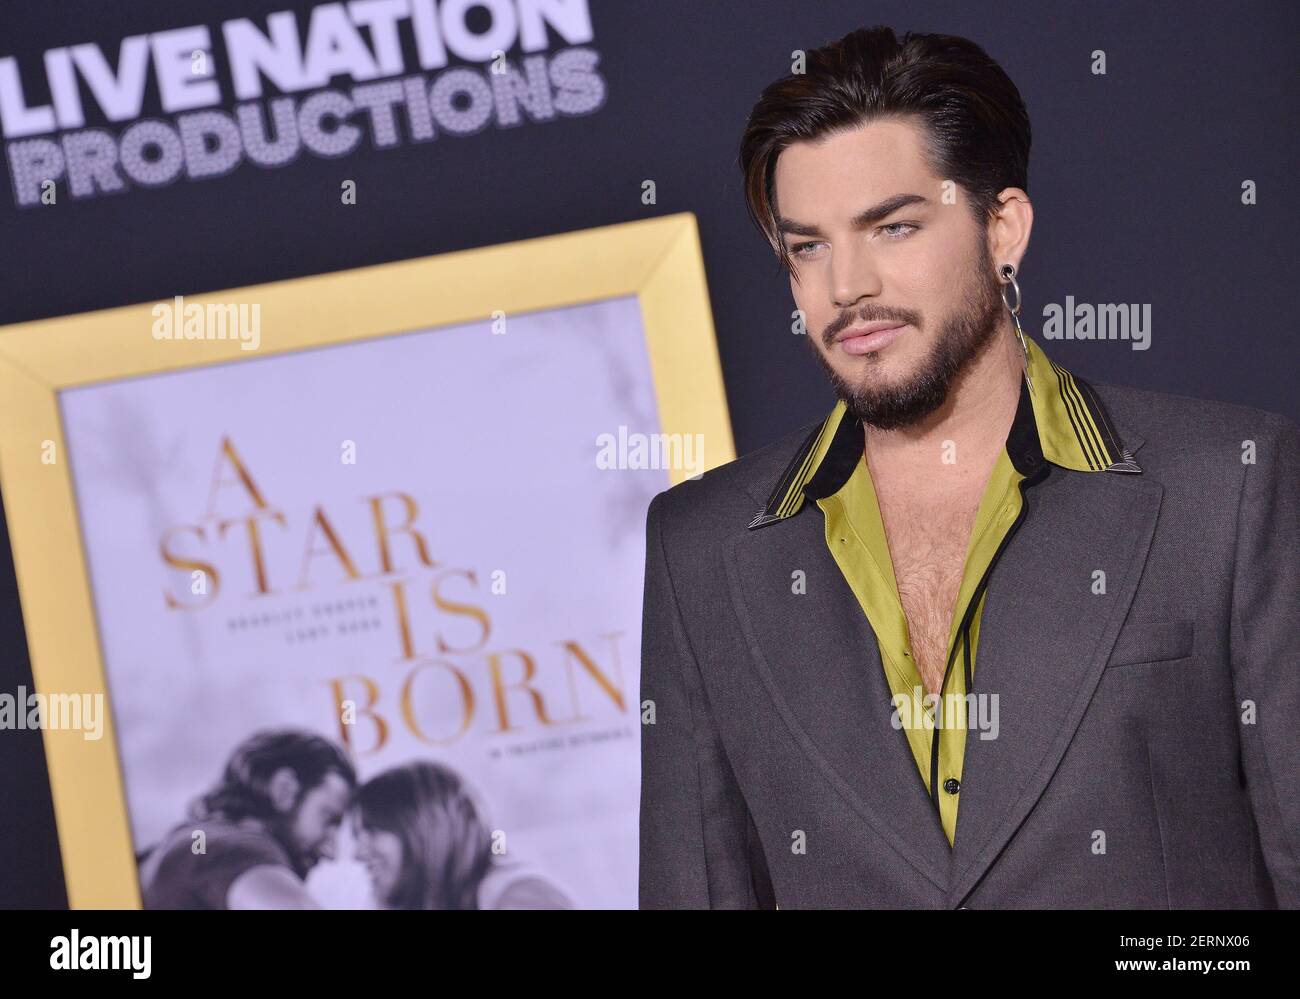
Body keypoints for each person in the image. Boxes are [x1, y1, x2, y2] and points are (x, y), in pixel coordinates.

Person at [638, 26, 1298, 908]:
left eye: (894, 227)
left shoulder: (1228, 488)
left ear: (1003, 228)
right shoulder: (703, 549)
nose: (847, 287)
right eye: (808, 247)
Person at [139, 729, 355, 909]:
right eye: (329, 820)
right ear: (284, 790)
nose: (331, 851)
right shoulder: (240, 849)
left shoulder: (177, 849)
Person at [352, 760, 573, 909]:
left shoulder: (521, 898)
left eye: (373, 830)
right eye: (357, 835)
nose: (358, 853)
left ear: (423, 830)